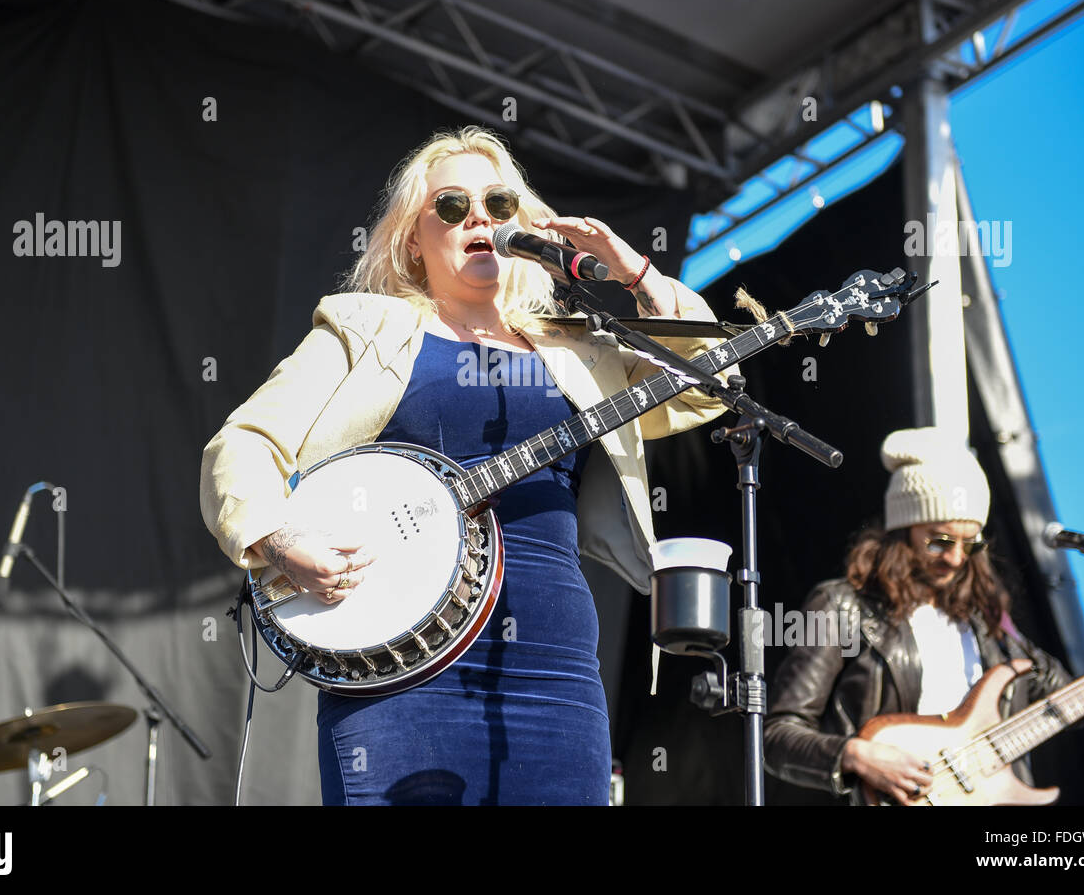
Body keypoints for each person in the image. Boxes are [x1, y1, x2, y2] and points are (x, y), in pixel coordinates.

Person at [200, 125, 729, 805]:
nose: (479, 217)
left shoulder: (582, 350)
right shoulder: (364, 329)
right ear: (413, 241)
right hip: (403, 668)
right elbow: (241, 445)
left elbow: (712, 382)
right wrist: (279, 539)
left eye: (499, 204)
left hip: (555, 664)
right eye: (452, 207)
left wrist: (638, 275)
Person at [763, 427, 1076, 805]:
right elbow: (777, 737)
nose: (956, 558)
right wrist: (856, 755)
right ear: (903, 529)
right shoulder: (840, 605)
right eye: (939, 540)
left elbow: (1070, 695)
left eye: (970, 544)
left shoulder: (984, 620)